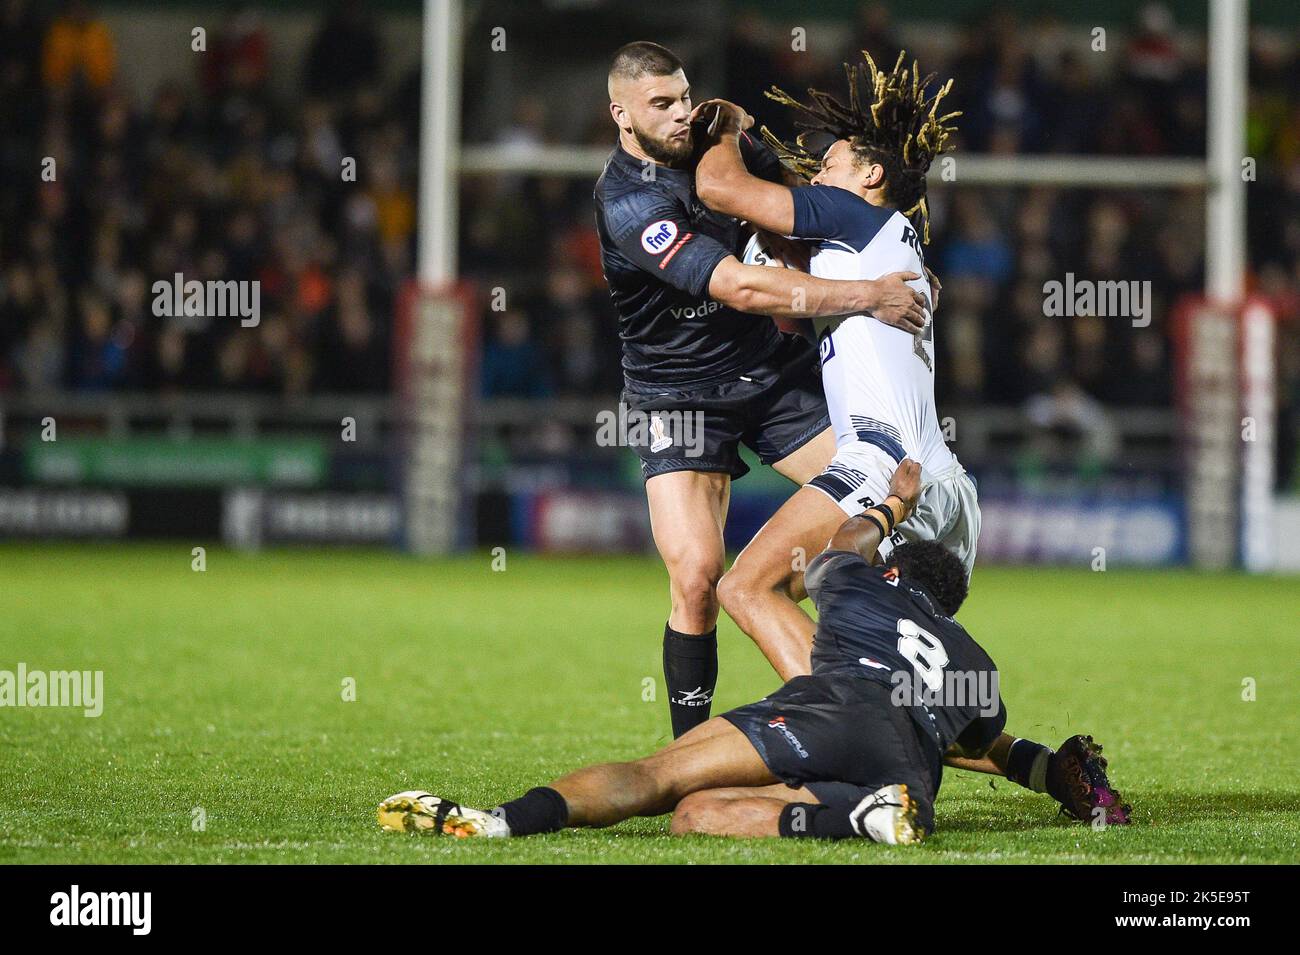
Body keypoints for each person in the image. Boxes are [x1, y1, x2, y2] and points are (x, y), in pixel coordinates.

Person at [377, 460, 1131, 842]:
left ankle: (500, 821)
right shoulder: (975, 662)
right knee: (698, 817)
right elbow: (983, 743)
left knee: (662, 781)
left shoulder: (861, 585)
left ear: (896, 570)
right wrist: (1045, 768)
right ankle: (859, 816)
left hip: (826, 708)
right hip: (908, 772)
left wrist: (894, 499)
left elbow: (846, 541)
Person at [594, 41, 928, 738]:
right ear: (621, 114)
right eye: (662, 104)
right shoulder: (628, 203)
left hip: (768, 373)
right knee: (698, 577)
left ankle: (890, 693)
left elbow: (793, 233)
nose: (682, 113)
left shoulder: (726, 145)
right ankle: (689, 755)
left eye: (684, 96)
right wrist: (866, 293)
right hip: (675, 394)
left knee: (887, 506)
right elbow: (741, 286)